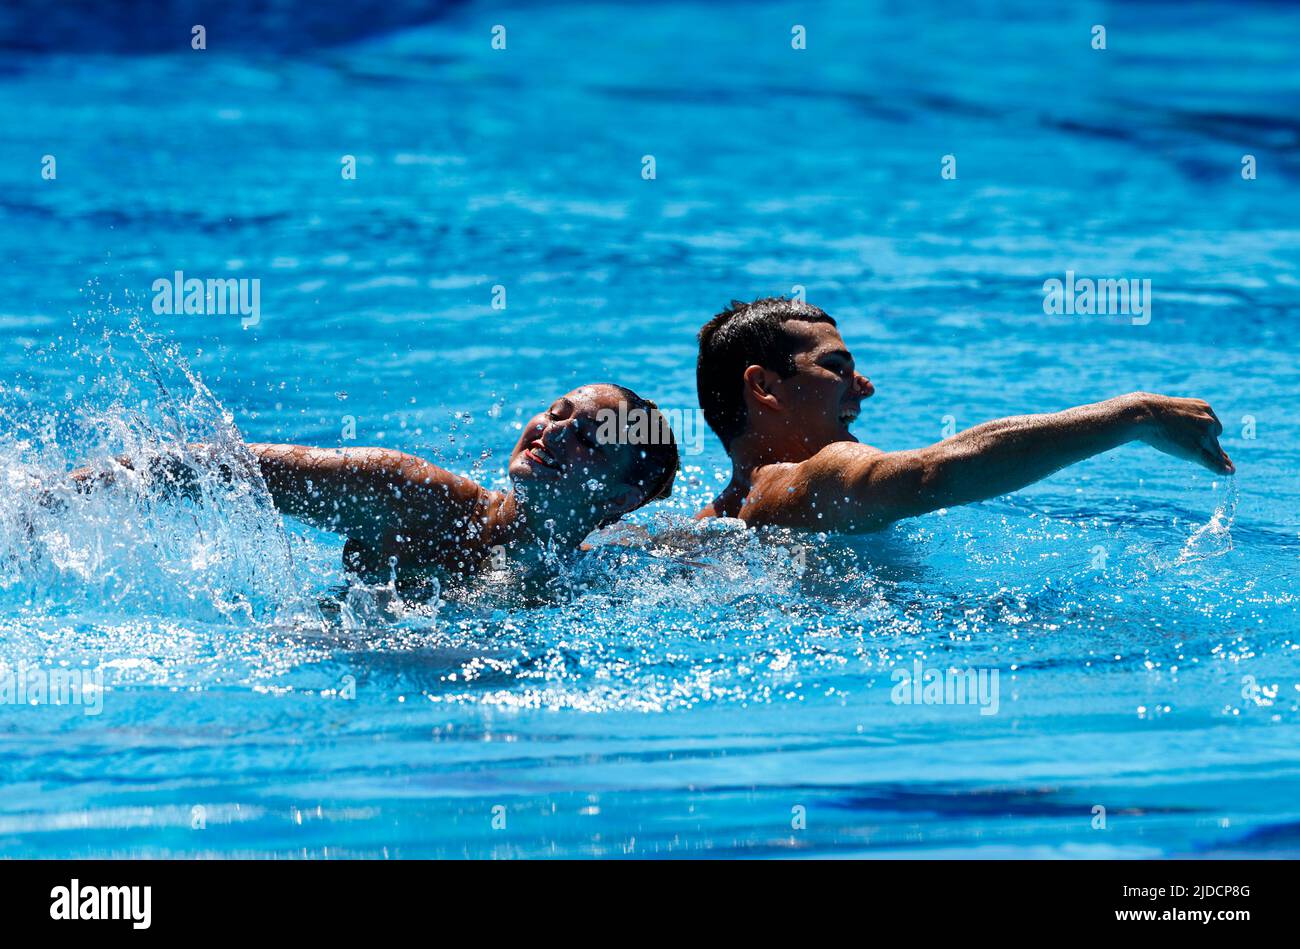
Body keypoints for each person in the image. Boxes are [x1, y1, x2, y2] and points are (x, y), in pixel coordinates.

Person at [695, 297, 1234, 531]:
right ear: (765, 388)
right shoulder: (813, 479)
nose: (865, 386)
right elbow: (938, 472)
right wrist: (1135, 414)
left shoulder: (710, 522)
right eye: (836, 366)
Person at [70, 383, 678, 580]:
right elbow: (235, 466)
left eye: (590, 439)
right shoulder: (412, 495)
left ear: (622, 499)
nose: (552, 432)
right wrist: (60, 491)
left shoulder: (605, 575)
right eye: (556, 413)